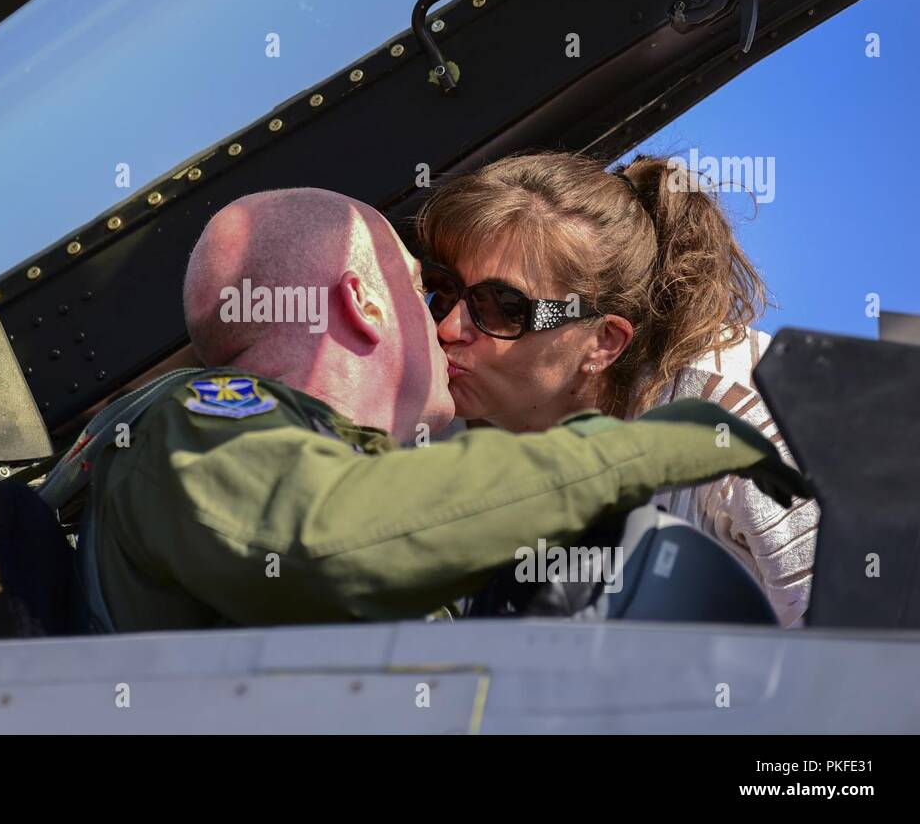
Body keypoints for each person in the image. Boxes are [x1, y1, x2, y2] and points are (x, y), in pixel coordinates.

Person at [78, 187, 809, 633]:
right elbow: (334, 538)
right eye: (429, 291)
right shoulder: (195, 424)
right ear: (364, 304)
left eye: (496, 306)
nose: (448, 326)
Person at [415, 152, 820, 626]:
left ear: (603, 341)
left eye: (502, 305)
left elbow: (856, 649)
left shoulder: (741, 422)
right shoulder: (421, 419)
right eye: (442, 288)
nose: (448, 326)